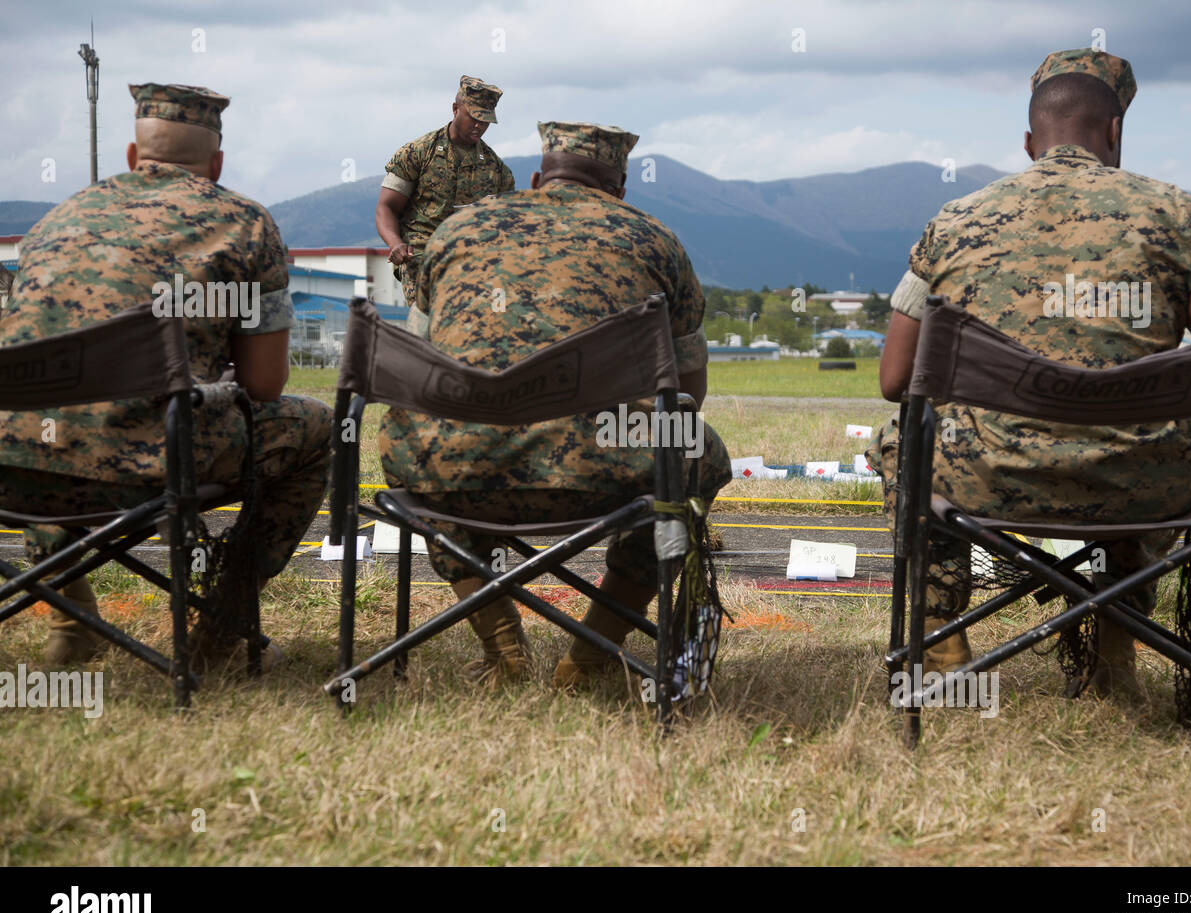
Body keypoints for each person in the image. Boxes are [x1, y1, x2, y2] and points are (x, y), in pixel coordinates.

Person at [871, 49, 1191, 706]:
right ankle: (1110, 648)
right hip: (1144, 475)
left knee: (900, 440)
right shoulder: (1179, 213)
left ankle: (939, 651)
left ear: (1029, 141)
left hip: (989, 473)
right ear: (1113, 133)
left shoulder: (954, 222)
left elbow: (896, 376)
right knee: (1163, 450)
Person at [381, 121, 731, 689]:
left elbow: (421, 363)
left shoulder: (456, 230)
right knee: (694, 453)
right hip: (609, 469)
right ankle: (590, 657)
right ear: (619, 190)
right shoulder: (655, 238)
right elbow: (687, 393)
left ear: (539, 178)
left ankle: (501, 644)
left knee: (416, 444)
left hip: (459, 465)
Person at [0, 83, 332, 670]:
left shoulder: (54, 223)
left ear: (132, 157)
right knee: (319, 432)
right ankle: (220, 630)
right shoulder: (246, 224)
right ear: (217, 164)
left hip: (19, 467)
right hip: (155, 460)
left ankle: (68, 613)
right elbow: (263, 387)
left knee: (55, 420)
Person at [376, 74, 515, 312]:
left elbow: (506, 225)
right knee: (428, 328)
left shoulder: (497, 170)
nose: (479, 126)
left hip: (474, 264)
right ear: (455, 109)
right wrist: (395, 244)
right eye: (473, 117)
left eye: (485, 120)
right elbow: (386, 208)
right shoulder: (417, 153)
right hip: (423, 259)